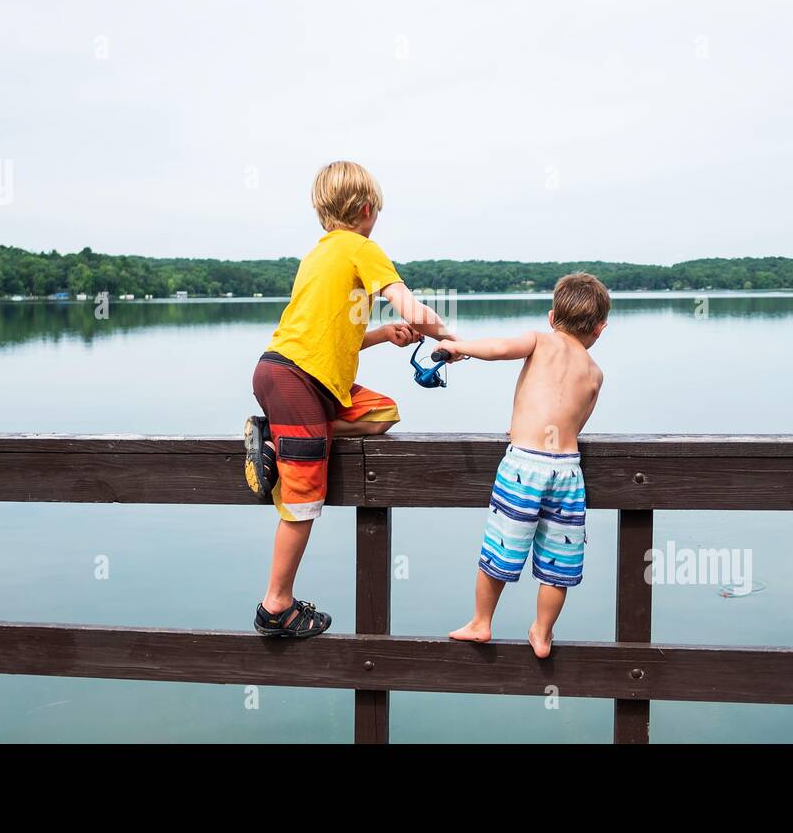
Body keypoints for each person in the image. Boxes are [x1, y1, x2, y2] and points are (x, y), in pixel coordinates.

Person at [244, 160, 457, 637]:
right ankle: (275, 606)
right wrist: (449, 339)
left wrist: (382, 334)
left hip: (284, 373)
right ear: (366, 209)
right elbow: (412, 305)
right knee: (303, 500)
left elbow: (327, 336)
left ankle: (277, 438)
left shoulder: (317, 256)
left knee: (383, 412)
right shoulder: (362, 247)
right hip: (299, 382)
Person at [441, 272, 609, 657]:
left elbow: (499, 347)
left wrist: (458, 347)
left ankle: (482, 622)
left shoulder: (540, 341)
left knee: (501, 544)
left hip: (525, 465)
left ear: (552, 317)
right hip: (567, 470)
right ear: (600, 328)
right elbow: (579, 422)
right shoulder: (595, 373)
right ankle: (542, 632)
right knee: (558, 558)